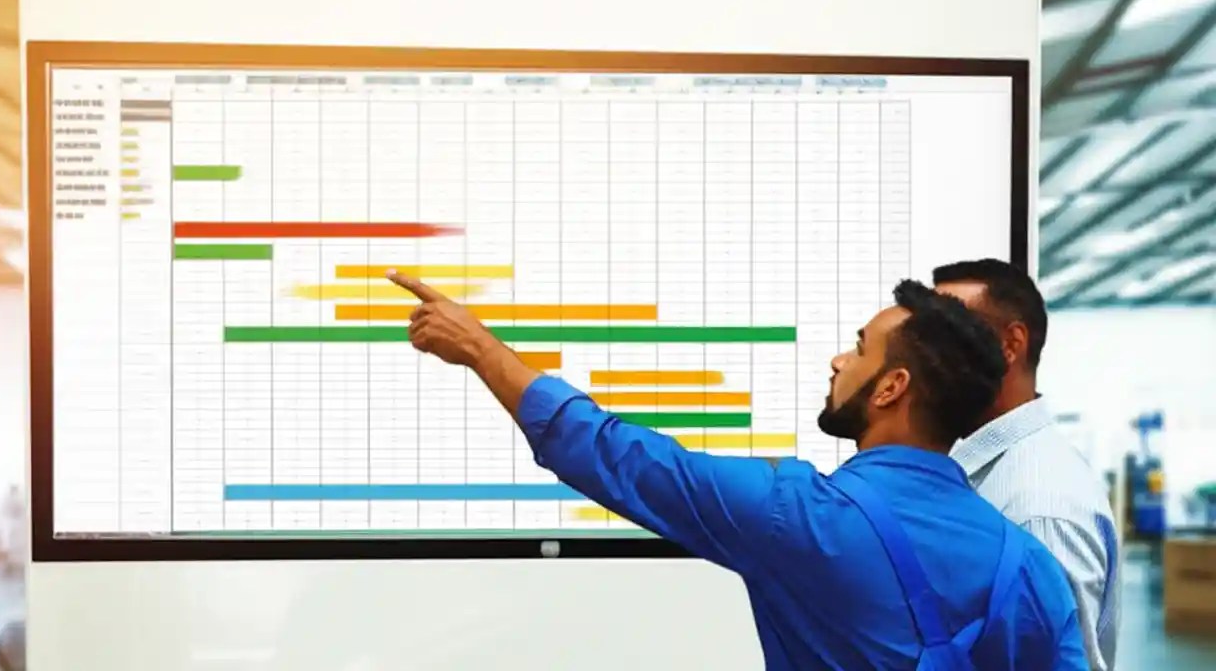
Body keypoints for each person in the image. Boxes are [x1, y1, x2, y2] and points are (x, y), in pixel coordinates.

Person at [387, 271, 1087, 670]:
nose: (839, 361)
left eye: (859, 349)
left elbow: (614, 453)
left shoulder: (802, 516)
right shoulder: (1027, 565)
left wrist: (481, 349)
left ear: (891, 388)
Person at [934, 259, 1119, 671]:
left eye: (945, 333)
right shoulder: (983, 476)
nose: (924, 355)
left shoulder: (1037, 509)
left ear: (1010, 344)